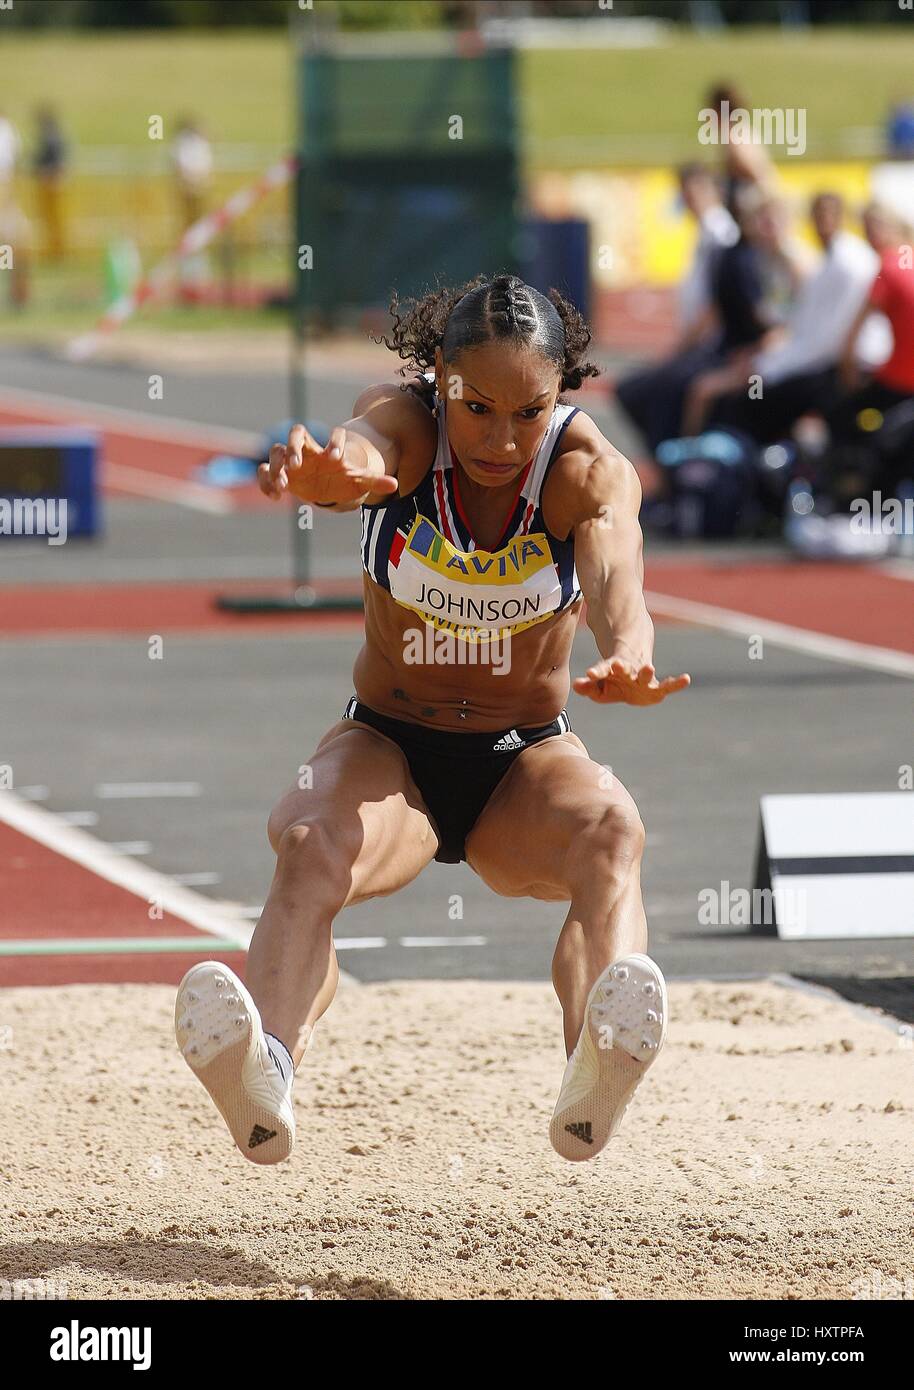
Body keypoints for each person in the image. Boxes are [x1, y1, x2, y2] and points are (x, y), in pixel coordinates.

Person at [174, 275, 690, 1166]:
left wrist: (631, 651)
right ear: (440, 378)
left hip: (520, 762)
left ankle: (595, 1067)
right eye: (476, 406)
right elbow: (366, 450)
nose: (501, 439)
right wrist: (334, 478)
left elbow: (617, 573)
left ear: (561, 394)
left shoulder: (585, 471)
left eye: (528, 413)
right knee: (310, 842)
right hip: (391, 746)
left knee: (612, 830)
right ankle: (266, 1075)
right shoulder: (408, 428)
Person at [706, 193, 884, 443]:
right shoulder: (829, 257)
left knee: (752, 399)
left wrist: (769, 365)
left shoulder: (841, 262)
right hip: (806, 356)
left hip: (836, 365)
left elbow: (821, 337)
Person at [614, 164, 738, 451]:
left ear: (714, 190)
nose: (691, 197)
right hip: (703, 344)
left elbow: (717, 302)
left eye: (697, 189)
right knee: (648, 393)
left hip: (711, 347)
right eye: (686, 191)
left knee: (647, 394)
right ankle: (670, 456)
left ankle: (671, 459)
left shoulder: (720, 234)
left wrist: (684, 348)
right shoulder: (707, 233)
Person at [680, 187, 811, 437]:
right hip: (773, 349)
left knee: (705, 391)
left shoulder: (795, 261)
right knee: (706, 388)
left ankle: (692, 450)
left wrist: (757, 351)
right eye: (762, 220)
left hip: (791, 354)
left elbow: (801, 323)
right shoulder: (764, 259)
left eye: (772, 220)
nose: (766, 227)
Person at [32, 105, 68, 261]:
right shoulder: (56, 134)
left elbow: (48, 157)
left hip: (51, 181)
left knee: (53, 217)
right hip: (53, 180)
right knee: (53, 217)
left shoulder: (50, 136)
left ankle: (57, 249)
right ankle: (55, 248)